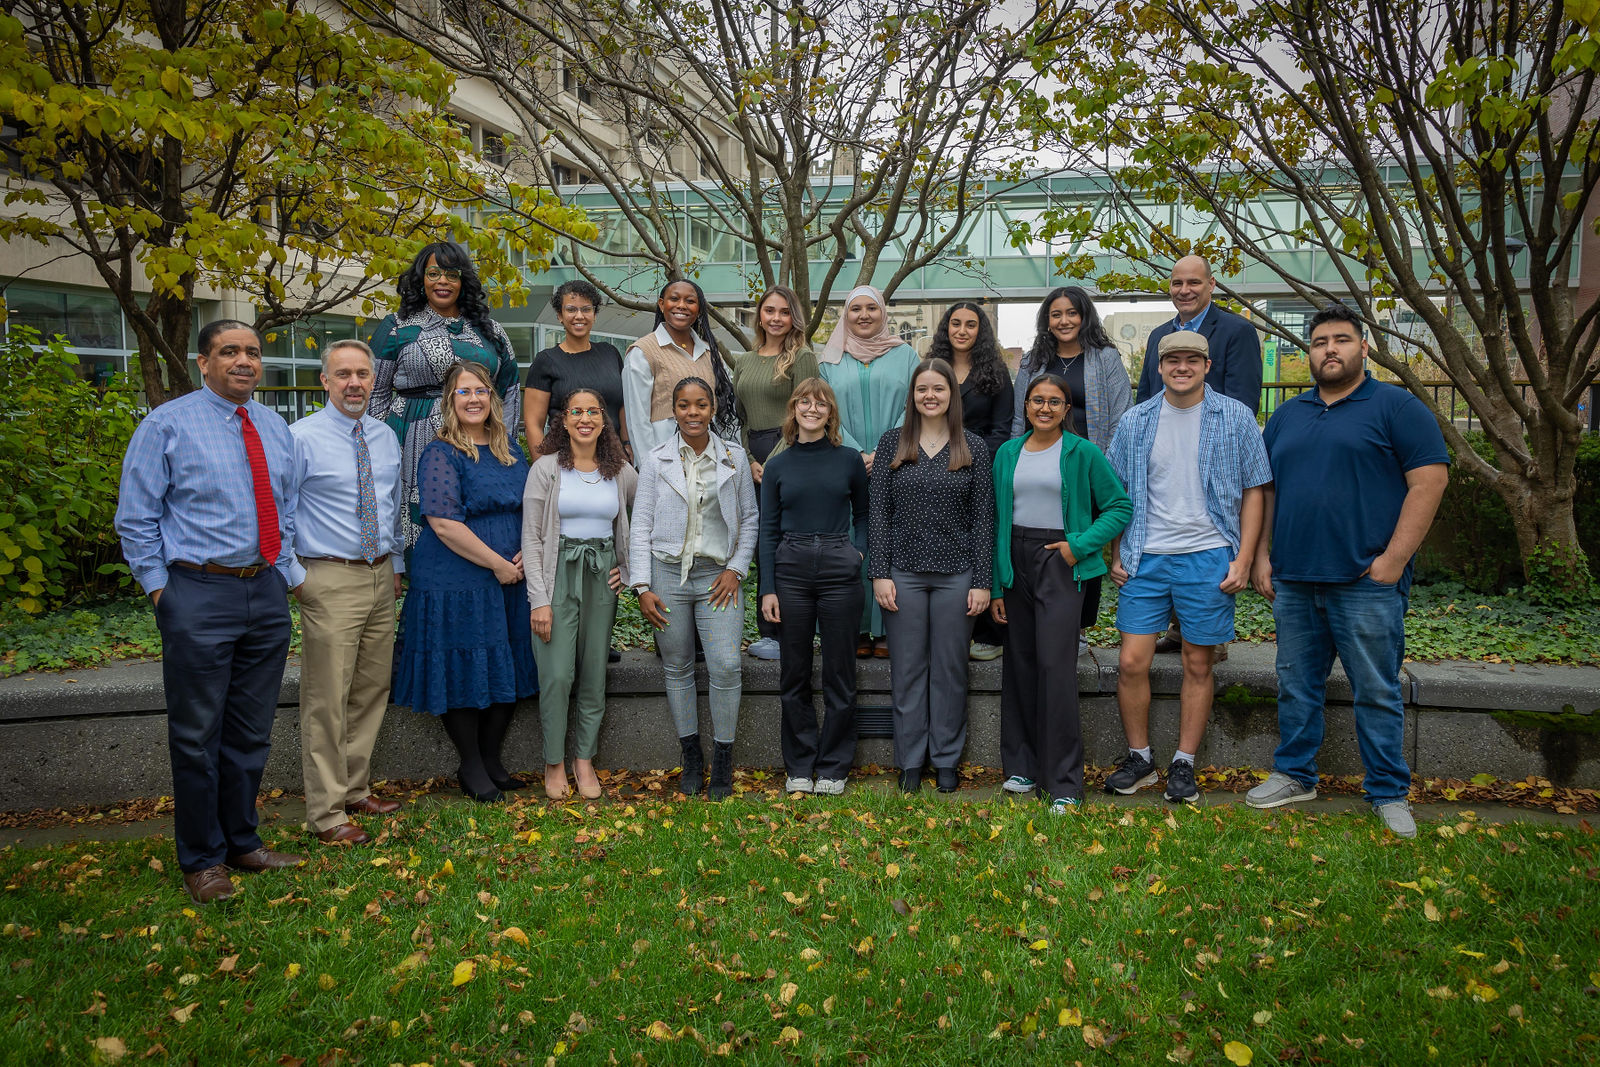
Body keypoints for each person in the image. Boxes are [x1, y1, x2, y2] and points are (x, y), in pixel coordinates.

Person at [115, 319, 306, 904]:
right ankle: (201, 858)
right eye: (229, 352)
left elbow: (287, 507)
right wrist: (160, 592)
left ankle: (242, 842)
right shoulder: (166, 424)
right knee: (197, 736)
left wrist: (288, 576)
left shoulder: (275, 427)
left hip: (264, 591)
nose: (244, 361)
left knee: (251, 733)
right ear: (204, 363)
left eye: (251, 352)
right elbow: (136, 517)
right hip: (196, 591)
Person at [1247, 304, 1449, 838]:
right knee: (1296, 685)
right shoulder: (1289, 414)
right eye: (1319, 342)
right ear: (1308, 352)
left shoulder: (1396, 407)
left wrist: (1394, 561)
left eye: (1341, 340)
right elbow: (1266, 491)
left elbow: (1428, 482)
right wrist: (1264, 555)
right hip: (1294, 579)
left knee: (1376, 690)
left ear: (1363, 347)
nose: (1329, 349)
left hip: (1366, 582)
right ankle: (1295, 774)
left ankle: (1387, 791)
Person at [1102, 332, 1272, 804]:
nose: (1182, 367)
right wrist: (1116, 554)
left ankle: (1184, 763)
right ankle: (1140, 759)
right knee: (1131, 661)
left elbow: (1256, 488)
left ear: (1206, 364)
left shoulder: (1236, 418)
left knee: (1199, 661)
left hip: (1209, 554)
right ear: (1160, 367)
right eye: (1172, 360)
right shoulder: (1136, 421)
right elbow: (1118, 492)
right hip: (1146, 556)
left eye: (1191, 360)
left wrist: (1243, 557)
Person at [391, 360, 537, 803]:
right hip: (458, 575)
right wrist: (496, 563)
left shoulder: (509, 448)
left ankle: (492, 759)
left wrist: (527, 552)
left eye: (481, 391)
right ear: (449, 400)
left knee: (508, 661)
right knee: (463, 667)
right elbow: (442, 522)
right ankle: (470, 765)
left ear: (493, 398)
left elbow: (531, 505)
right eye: (463, 391)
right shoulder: (440, 452)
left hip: (512, 573)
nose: (473, 399)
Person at [991, 374, 1132, 814]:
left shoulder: (1082, 452)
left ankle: (1064, 783)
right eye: (1037, 401)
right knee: (1020, 665)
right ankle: (1023, 766)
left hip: (1060, 560)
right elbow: (997, 519)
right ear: (1026, 406)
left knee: (1055, 668)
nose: (1045, 408)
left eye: (1055, 401)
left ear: (1066, 409)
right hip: (1016, 561)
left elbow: (1119, 506)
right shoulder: (1007, 452)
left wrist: (1080, 545)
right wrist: (998, 583)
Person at [289, 339, 407, 847]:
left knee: (369, 689)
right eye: (343, 375)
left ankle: (355, 789)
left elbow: (394, 505)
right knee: (327, 698)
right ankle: (326, 813)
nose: (354, 383)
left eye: (362, 373)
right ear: (325, 381)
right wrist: (296, 577)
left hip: (380, 575)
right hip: (328, 577)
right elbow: (279, 510)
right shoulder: (300, 439)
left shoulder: (384, 437)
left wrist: (396, 564)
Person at [630, 377, 759, 799]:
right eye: (684, 405)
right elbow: (640, 526)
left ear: (713, 408)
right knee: (678, 665)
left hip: (717, 578)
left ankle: (723, 756)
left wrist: (737, 569)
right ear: (674, 410)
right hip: (667, 575)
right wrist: (641, 585)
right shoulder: (655, 461)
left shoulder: (734, 458)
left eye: (701, 405)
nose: (692, 413)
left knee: (725, 665)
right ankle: (691, 754)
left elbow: (750, 520)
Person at [869, 358, 994, 793]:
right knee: (906, 670)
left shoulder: (973, 446)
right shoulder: (893, 444)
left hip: (957, 574)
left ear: (951, 395)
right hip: (902, 573)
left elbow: (983, 518)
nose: (930, 396)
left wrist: (983, 581)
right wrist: (879, 572)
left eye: (938, 389)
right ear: (913, 396)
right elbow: (879, 513)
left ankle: (944, 758)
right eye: (922, 389)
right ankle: (910, 761)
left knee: (949, 669)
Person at [1134, 256, 1265, 655]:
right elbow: (1145, 395)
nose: (1184, 290)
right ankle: (1178, 630)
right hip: (1166, 444)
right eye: (1177, 283)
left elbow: (1244, 395)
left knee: (1205, 538)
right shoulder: (1160, 334)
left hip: (1214, 450)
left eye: (1193, 282)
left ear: (1212, 285)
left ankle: (1205, 638)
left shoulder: (1236, 331)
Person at [522, 388, 638, 801]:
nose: (585, 418)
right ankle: (554, 762)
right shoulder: (547, 470)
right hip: (558, 574)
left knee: (592, 674)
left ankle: (583, 759)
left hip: (599, 577)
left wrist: (627, 571)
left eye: (593, 412)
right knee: (556, 675)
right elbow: (532, 538)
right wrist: (539, 599)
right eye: (577, 412)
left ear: (603, 420)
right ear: (564, 420)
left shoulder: (621, 471)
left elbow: (636, 527)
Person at [368, 242, 521, 550]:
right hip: (413, 438)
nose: (442, 281)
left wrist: (501, 444)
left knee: (476, 513)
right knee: (425, 516)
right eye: (433, 273)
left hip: (480, 439)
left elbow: (509, 391)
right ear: (420, 279)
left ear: (463, 280)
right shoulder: (397, 327)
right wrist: (384, 444)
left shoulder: (490, 330)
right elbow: (375, 393)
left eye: (451, 274)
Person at [758, 379, 869, 795]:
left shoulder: (849, 460)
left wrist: (857, 554)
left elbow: (864, 515)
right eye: (804, 402)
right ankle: (800, 766)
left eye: (820, 403)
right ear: (793, 409)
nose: (811, 408)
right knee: (795, 673)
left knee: (841, 672)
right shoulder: (779, 466)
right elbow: (767, 530)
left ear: (830, 413)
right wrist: (768, 588)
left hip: (840, 570)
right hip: (791, 571)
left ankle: (835, 767)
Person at [1011, 286, 1133, 656]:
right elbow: (1020, 418)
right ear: (1046, 320)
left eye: (1071, 313)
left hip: (1090, 464)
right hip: (1041, 463)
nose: (1064, 321)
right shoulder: (1033, 361)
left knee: (1083, 540)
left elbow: (1121, 416)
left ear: (1084, 317)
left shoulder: (1105, 358)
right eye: (1056, 314)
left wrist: (1101, 471)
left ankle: (1077, 627)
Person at [816, 284, 920, 657]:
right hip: (844, 461)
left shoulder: (906, 355)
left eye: (871, 309)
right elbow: (822, 408)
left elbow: (915, 404)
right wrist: (856, 452)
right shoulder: (828, 359)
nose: (863, 315)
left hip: (896, 460)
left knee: (893, 538)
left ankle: (889, 628)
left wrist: (884, 450)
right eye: (855, 309)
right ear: (846, 314)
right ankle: (858, 628)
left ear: (883, 313)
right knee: (850, 540)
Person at [728, 285, 820, 662]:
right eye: (770, 311)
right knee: (758, 542)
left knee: (787, 544)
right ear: (759, 315)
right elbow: (740, 419)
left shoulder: (803, 356)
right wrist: (748, 458)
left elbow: (809, 411)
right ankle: (767, 632)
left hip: (792, 454)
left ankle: (793, 631)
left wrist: (776, 463)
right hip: (751, 460)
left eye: (784, 311)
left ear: (792, 317)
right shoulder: (744, 361)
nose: (776, 318)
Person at [926, 300, 1014, 660]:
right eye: (956, 323)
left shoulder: (995, 371)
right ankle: (944, 625)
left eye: (971, 325)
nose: (962, 330)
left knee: (982, 539)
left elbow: (1002, 428)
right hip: (933, 467)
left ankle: (989, 633)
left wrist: (968, 457)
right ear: (946, 327)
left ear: (981, 331)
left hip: (980, 467)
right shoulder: (932, 368)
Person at [622, 279, 741, 459]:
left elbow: (724, 413)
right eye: (674, 299)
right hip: (666, 461)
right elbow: (637, 421)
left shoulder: (711, 354)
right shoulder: (642, 352)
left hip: (710, 460)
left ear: (699, 309)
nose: (681, 305)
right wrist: (650, 469)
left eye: (690, 301)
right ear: (662, 304)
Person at [521, 280, 630, 458]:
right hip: (566, 462)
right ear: (559, 315)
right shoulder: (546, 361)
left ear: (594, 314)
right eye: (571, 309)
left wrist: (627, 445)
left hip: (614, 458)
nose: (579, 316)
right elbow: (533, 424)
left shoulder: (610, 353)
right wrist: (543, 470)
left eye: (586, 309)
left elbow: (623, 407)